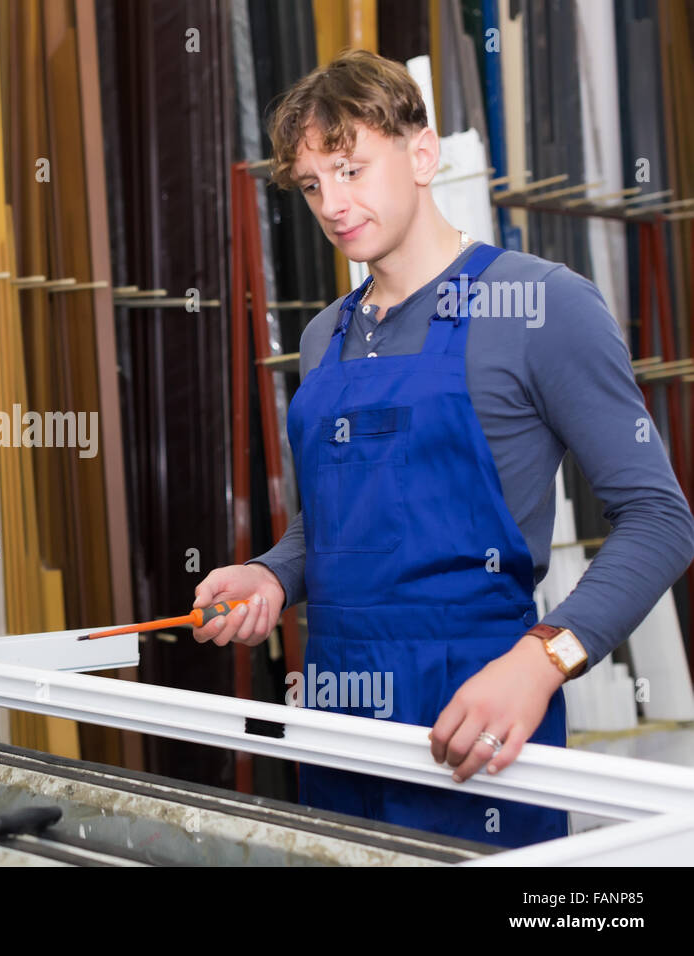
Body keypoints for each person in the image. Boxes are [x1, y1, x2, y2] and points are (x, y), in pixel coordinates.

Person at [190, 50, 694, 848]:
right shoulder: (324, 338)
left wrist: (543, 660)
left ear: (423, 155)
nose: (334, 203)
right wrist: (271, 577)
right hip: (335, 713)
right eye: (314, 185)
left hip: (478, 711)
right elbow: (326, 531)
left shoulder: (539, 306)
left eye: (352, 169)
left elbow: (661, 520)